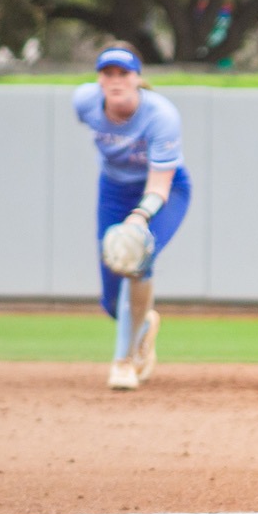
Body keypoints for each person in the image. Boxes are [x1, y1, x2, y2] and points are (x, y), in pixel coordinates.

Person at [72, 42, 192, 391]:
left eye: (123, 72)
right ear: (98, 79)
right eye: (107, 72)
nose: (115, 80)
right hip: (113, 189)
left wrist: (140, 217)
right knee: (111, 296)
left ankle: (124, 362)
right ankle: (143, 326)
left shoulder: (161, 116)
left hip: (164, 192)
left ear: (138, 77)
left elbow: (160, 184)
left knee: (138, 256)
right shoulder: (85, 103)